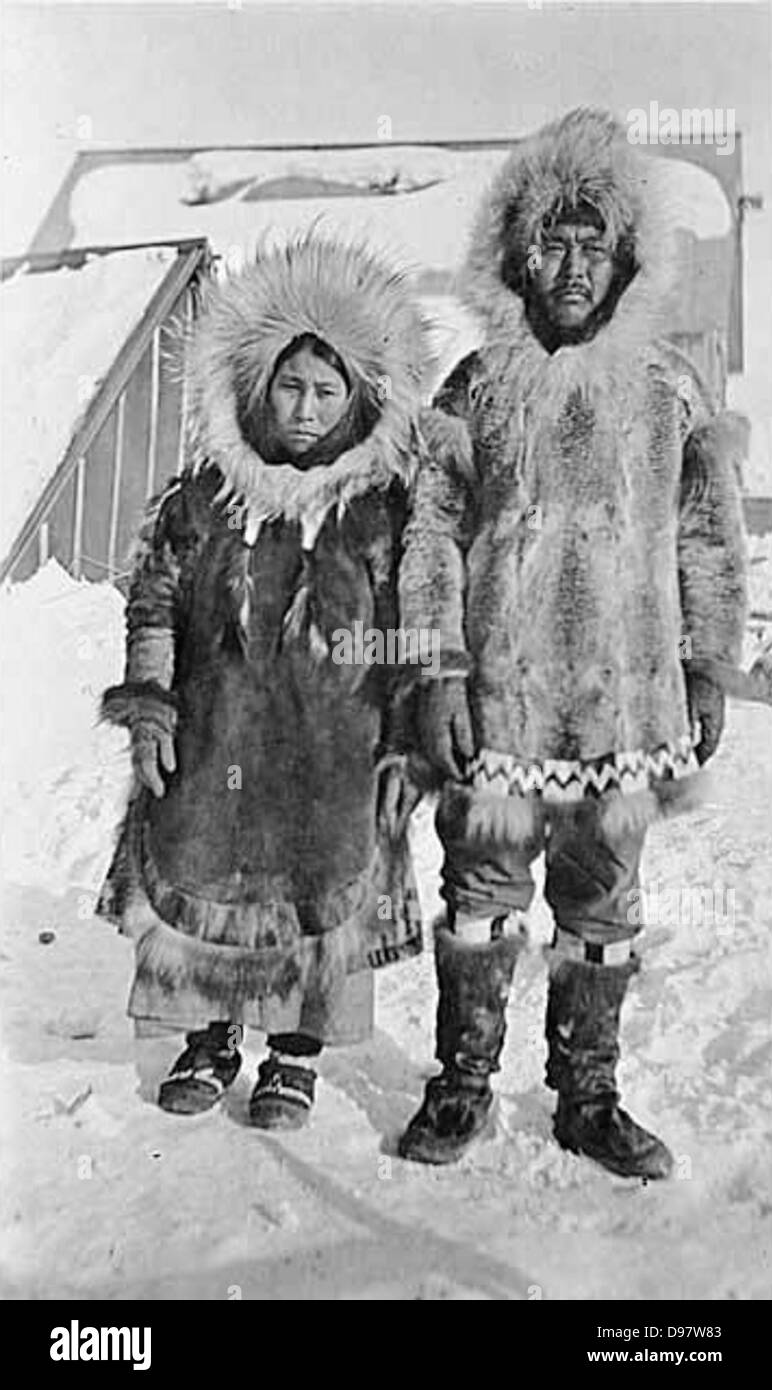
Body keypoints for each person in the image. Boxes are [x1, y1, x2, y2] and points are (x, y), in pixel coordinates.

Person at [397, 108, 749, 1177]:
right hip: (498, 703)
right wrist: (436, 672)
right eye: (550, 238)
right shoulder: (475, 387)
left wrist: (704, 663)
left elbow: (705, 531)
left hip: (622, 706)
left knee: (602, 901)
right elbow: (429, 534)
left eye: (593, 240)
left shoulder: (666, 389)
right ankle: (460, 1084)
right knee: (480, 895)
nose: (571, 262)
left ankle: (588, 1094)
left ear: (627, 255)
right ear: (513, 251)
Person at [97, 232, 432, 1128]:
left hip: (334, 752)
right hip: (216, 740)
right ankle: (208, 1038)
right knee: (206, 872)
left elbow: (412, 632)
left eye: (327, 391)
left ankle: (294, 1055)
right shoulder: (203, 498)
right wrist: (151, 708)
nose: (307, 407)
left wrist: (406, 742)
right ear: (256, 387)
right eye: (291, 385)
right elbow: (156, 602)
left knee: (317, 892)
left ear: (358, 401)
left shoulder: (381, 513)